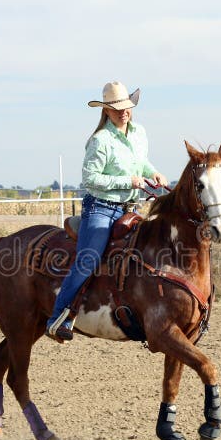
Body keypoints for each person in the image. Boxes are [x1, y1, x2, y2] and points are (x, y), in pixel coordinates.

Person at [46, 81, 168, 341]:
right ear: (106, 111)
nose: (123, 112)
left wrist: (152, 172)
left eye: (126, 107)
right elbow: (90, 179)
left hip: (129, 208)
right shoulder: (100, 140)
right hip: (100, 208)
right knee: (88, 260)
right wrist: (129, 181)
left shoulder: (139, 133)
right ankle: (59, 318)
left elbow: (139, 161)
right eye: (116, 109)